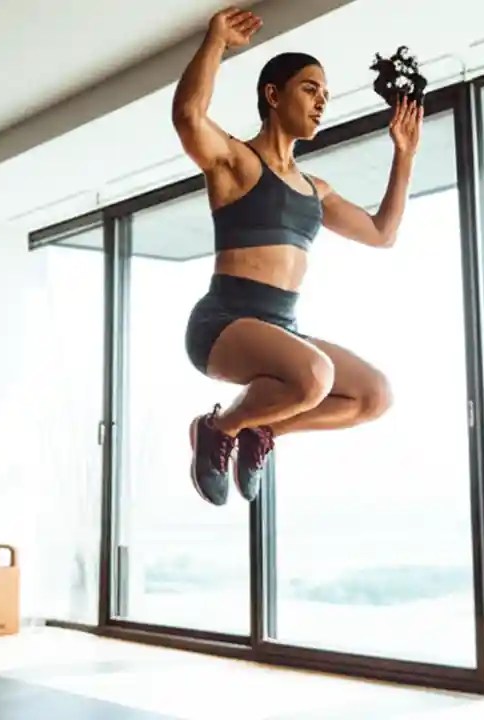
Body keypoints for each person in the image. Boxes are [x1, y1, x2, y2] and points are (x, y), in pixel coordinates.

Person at [172, 7, 423, 506]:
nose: (321, 102)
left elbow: (382, 233)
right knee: (315, 374)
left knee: (374, 395)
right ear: (273, 95)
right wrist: (216, 43)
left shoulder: (315, 189)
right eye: (311, 89)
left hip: (281, 331)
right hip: (224, 323)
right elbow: (188, 117)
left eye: (325, 95)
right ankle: (218, 427)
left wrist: (405, 155)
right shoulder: (237, 162)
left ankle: (261, 432)